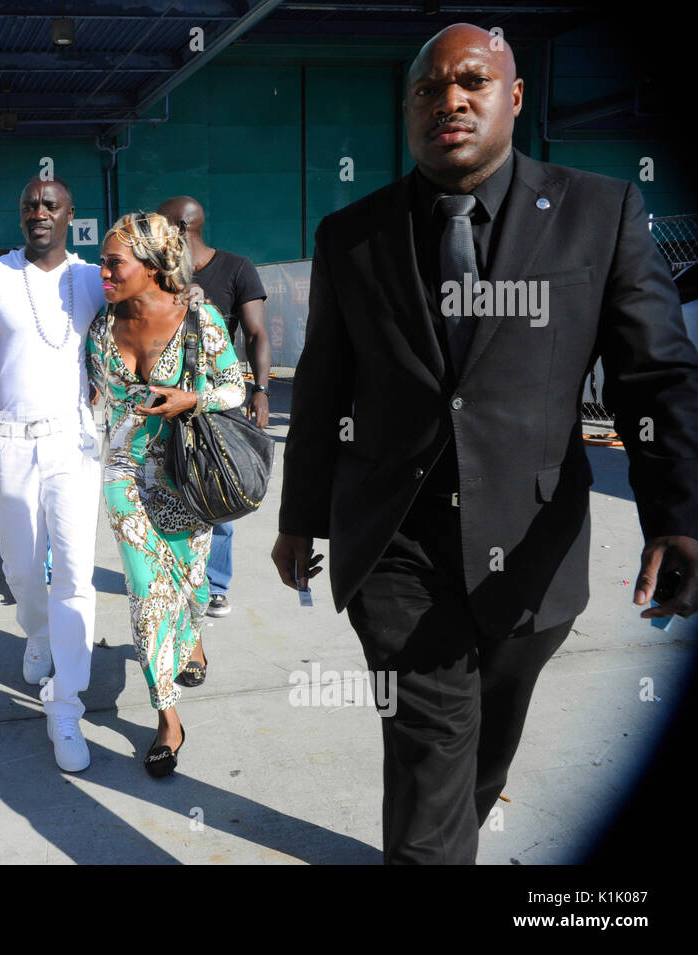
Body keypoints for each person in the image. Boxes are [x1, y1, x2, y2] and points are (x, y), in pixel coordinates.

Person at [271, 24, 698, 863]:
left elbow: (655, 377)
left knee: (479, 753)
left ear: (514, 96)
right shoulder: (353, 237)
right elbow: (321, 391)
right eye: (429, 89)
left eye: (471, 81)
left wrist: (677, 511)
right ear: (408, 111)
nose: (450, 101)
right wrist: (301, 515)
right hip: (397, 547)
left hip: (534, 550)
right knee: (432, 750)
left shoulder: (599, 213)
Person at [87, 212, 244, 777]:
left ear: (152, 267)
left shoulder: (198, 318)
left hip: (187, 469)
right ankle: (167, 718)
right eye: (104, 262)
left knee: (191, 583)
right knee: (147, 592)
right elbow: (97, 398)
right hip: (126, 471)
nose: (102, 272)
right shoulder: (101, 328)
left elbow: (233, 387)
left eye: (114, 263)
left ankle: (193, 636)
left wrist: (190, 400)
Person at [0, 177, 107, 772]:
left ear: (71, 214)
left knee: (74, 574)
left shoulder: (95, 278)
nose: (39, 212)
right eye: (29, 205)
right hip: (13, 441)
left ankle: (66, 702)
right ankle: (37, 631)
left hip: (74, 441)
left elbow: (154, 307)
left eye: (50, 205)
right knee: (21, 568)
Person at [156, 196, 270, 627]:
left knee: (216, 491)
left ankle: (215, 585)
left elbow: (257, 333)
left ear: (181, 228)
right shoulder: (160, 273)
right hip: (166, 407)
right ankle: (178, 578)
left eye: (160, 225)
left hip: (217, 404)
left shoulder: (237, 268)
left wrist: (259, 390)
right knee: (169, 494)